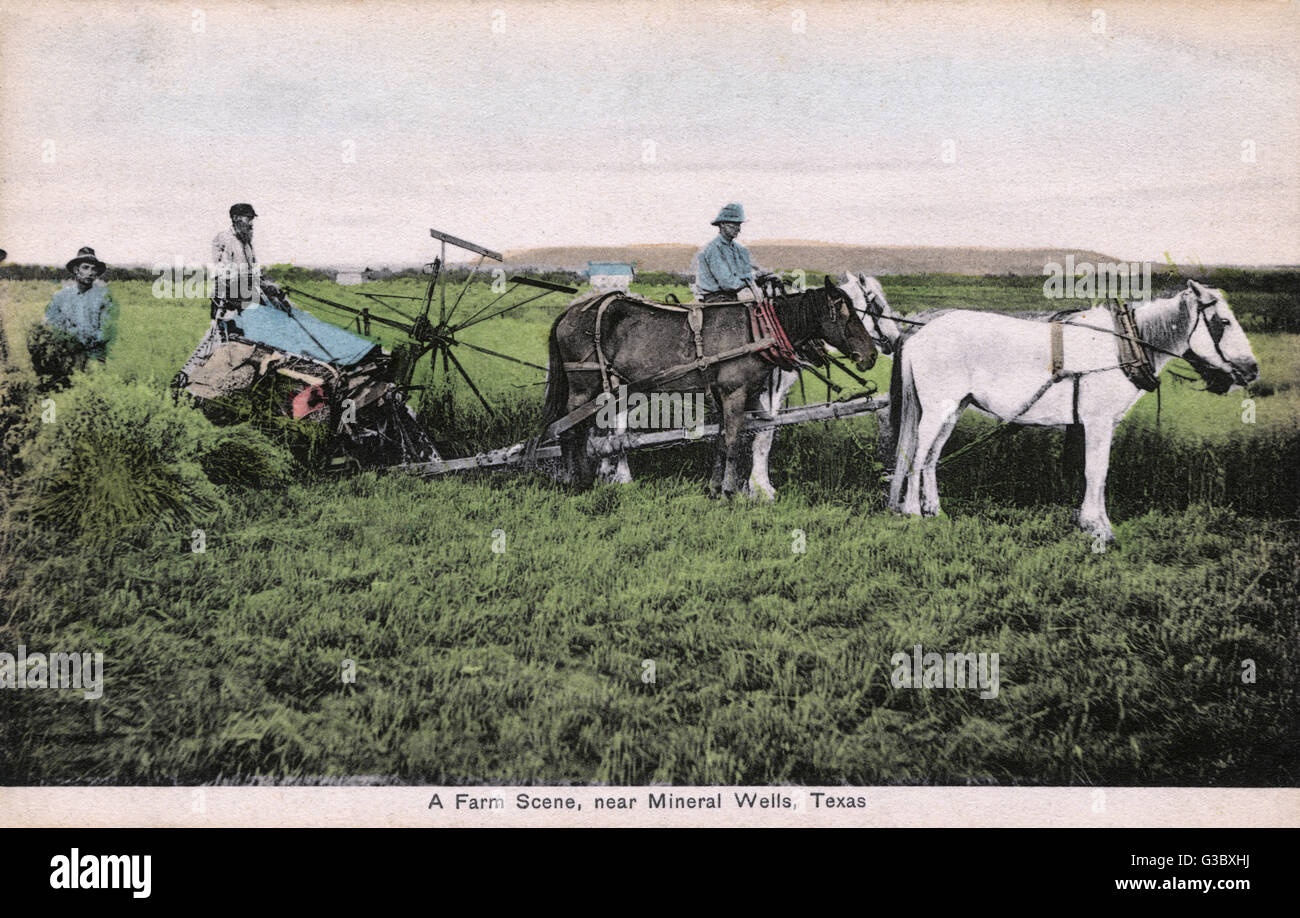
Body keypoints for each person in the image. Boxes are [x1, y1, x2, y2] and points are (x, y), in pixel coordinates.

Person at [42, 246, 118, 363]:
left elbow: (106, 329)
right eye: (85, 267)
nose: (90, 273)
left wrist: (88, 341)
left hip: (94, 355)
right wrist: (67, 338)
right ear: (76, 270)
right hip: (66, 354)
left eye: (94, 269)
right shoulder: (61, 296)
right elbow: (49, 322)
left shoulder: (104, 296)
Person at [693, 203, 771, 303]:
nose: (738, 229)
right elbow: (729, 284)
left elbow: (746, 272)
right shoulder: (714, 249)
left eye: (739, 225)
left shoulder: (738, 249)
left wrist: (765, 276)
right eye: (734, 224)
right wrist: (754, 277)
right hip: (714, 300)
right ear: (722, 224)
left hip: (731, 298)